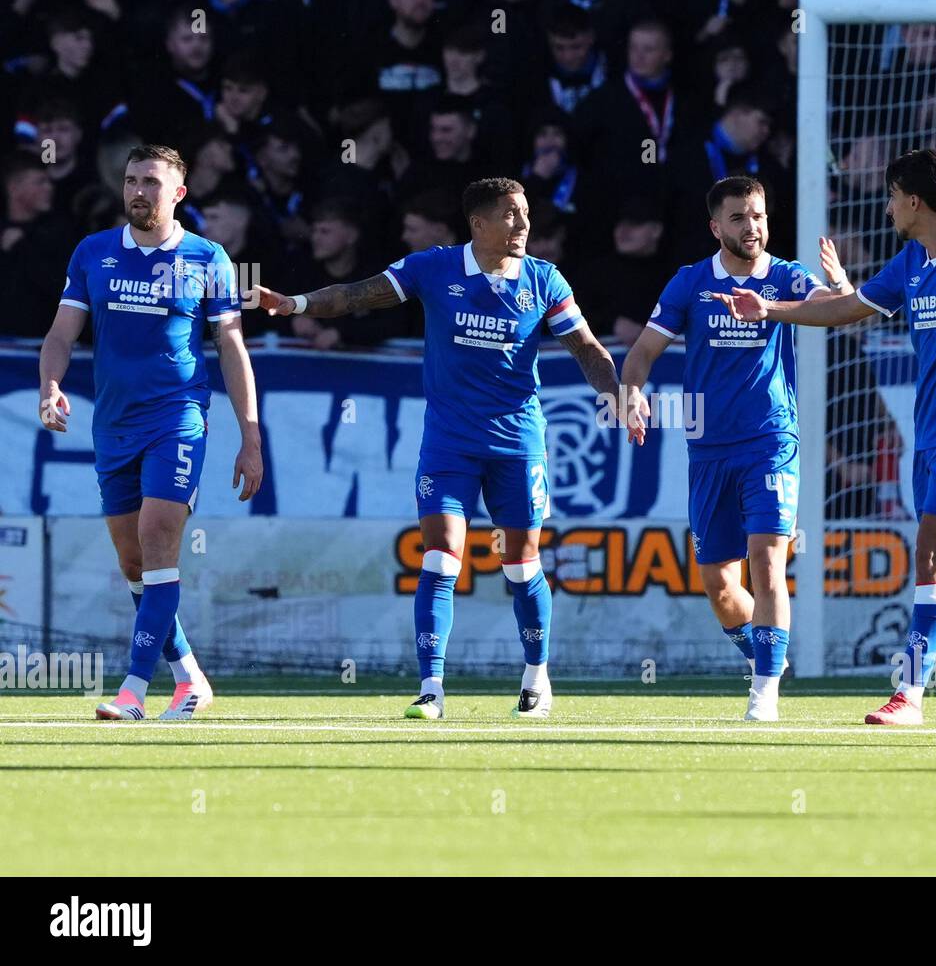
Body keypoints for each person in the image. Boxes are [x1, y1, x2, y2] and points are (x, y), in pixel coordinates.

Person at [713, 149, 936, 725]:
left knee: (929, 553)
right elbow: (848, 308)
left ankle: (910, 695)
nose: (887, 206)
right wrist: (769, 311)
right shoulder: (911, 261)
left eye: (893, 196)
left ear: (915, 200)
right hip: (928, 437)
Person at [255, 177, 619, 720]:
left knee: (519, 565)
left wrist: (618, 394)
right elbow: (359, 293)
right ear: (479, 224)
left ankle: (537, 677)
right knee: (440, 557)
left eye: (525, 215)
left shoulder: (543, 279)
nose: (523, 225)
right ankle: (431, 688)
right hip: (450, 444)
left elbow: (586, 347)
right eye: (511, 215)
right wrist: (296, 302)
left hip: (519, 442)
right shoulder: (434, 267)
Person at [38, 143, 263, 721]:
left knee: (160, 536)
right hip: (113, 425)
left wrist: (251, 436)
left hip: (178, 419)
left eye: (152, 183)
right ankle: (189, 678)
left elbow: (232, 347)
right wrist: (51, 385)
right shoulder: (93, 253)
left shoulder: (208, 257)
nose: (139, 191)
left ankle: (134, 692)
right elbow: (62, 335)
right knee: (135, 562)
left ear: (178, 193)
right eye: (132, 181)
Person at [620, 175, 841, 721]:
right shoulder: (690, 283)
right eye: (740, 218)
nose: (753, 227)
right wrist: (632, 394)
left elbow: (833, 310)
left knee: (767, 562)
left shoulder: (788, 277)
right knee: (721, 587)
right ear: (716, 226)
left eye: (760, 216)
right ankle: (768, 655)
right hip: (708, 447)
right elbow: (644, 350)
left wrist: (839, 288)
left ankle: (764, 691)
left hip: (770, 440)